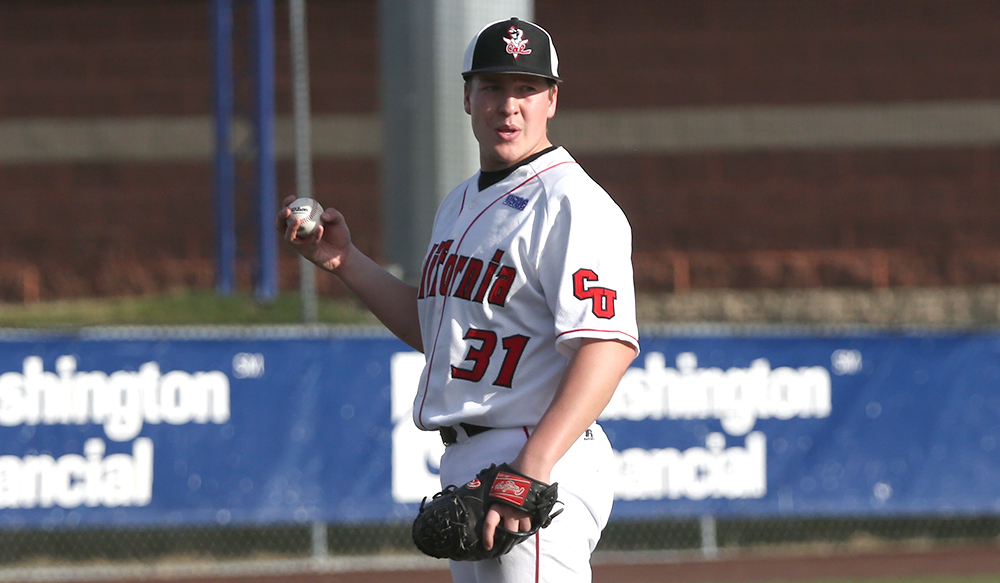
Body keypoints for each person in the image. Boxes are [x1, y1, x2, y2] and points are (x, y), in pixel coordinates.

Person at [278, 17, 638, 583]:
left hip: (533, 453)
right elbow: (440, 333)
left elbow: (607, 346)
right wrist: (343, 261)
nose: (508, 105)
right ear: (468, 97)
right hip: (475, 463)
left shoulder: (572, 204)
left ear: (552, 100)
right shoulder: (460, 202)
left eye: (526, 89)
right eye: (493, 87)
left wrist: (531, 470)